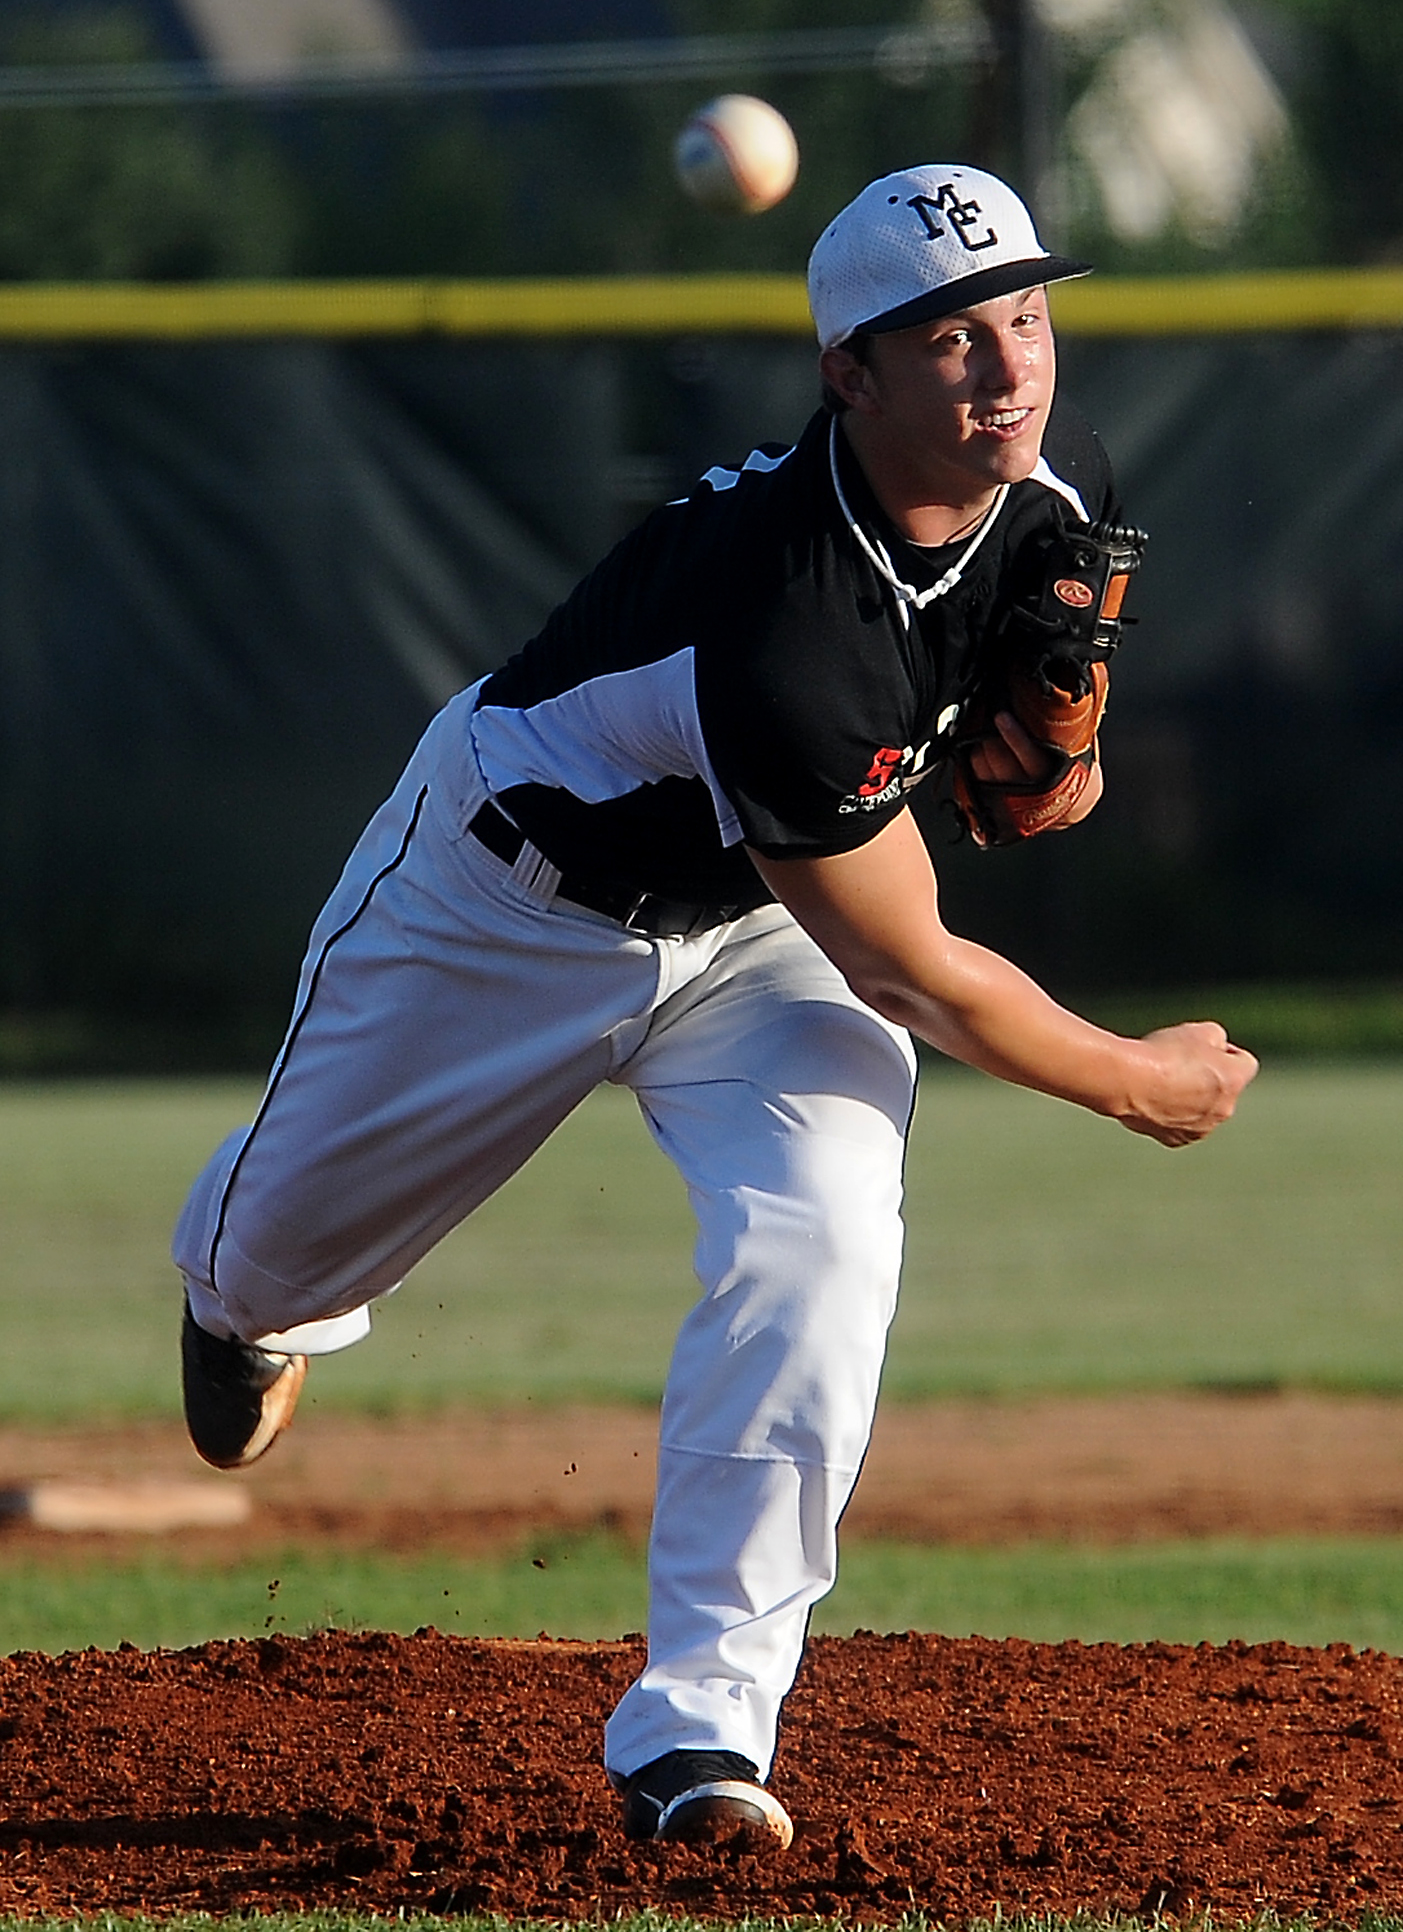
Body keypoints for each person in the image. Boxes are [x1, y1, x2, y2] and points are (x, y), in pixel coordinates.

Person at [174, 163, 1257, 1851]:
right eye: (953, 338)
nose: (1011, 367)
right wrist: (1133, 1079)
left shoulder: (1057, 488)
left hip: (762, 932)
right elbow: (910, 965)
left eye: (1030, 317)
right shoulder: (779, 610)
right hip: (502, 907)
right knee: (270, 1263)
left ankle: (700, 1738)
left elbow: (1028, 771)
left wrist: (1064, 760)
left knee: (817, 1247)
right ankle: (251, 1299)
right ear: (850, 377)